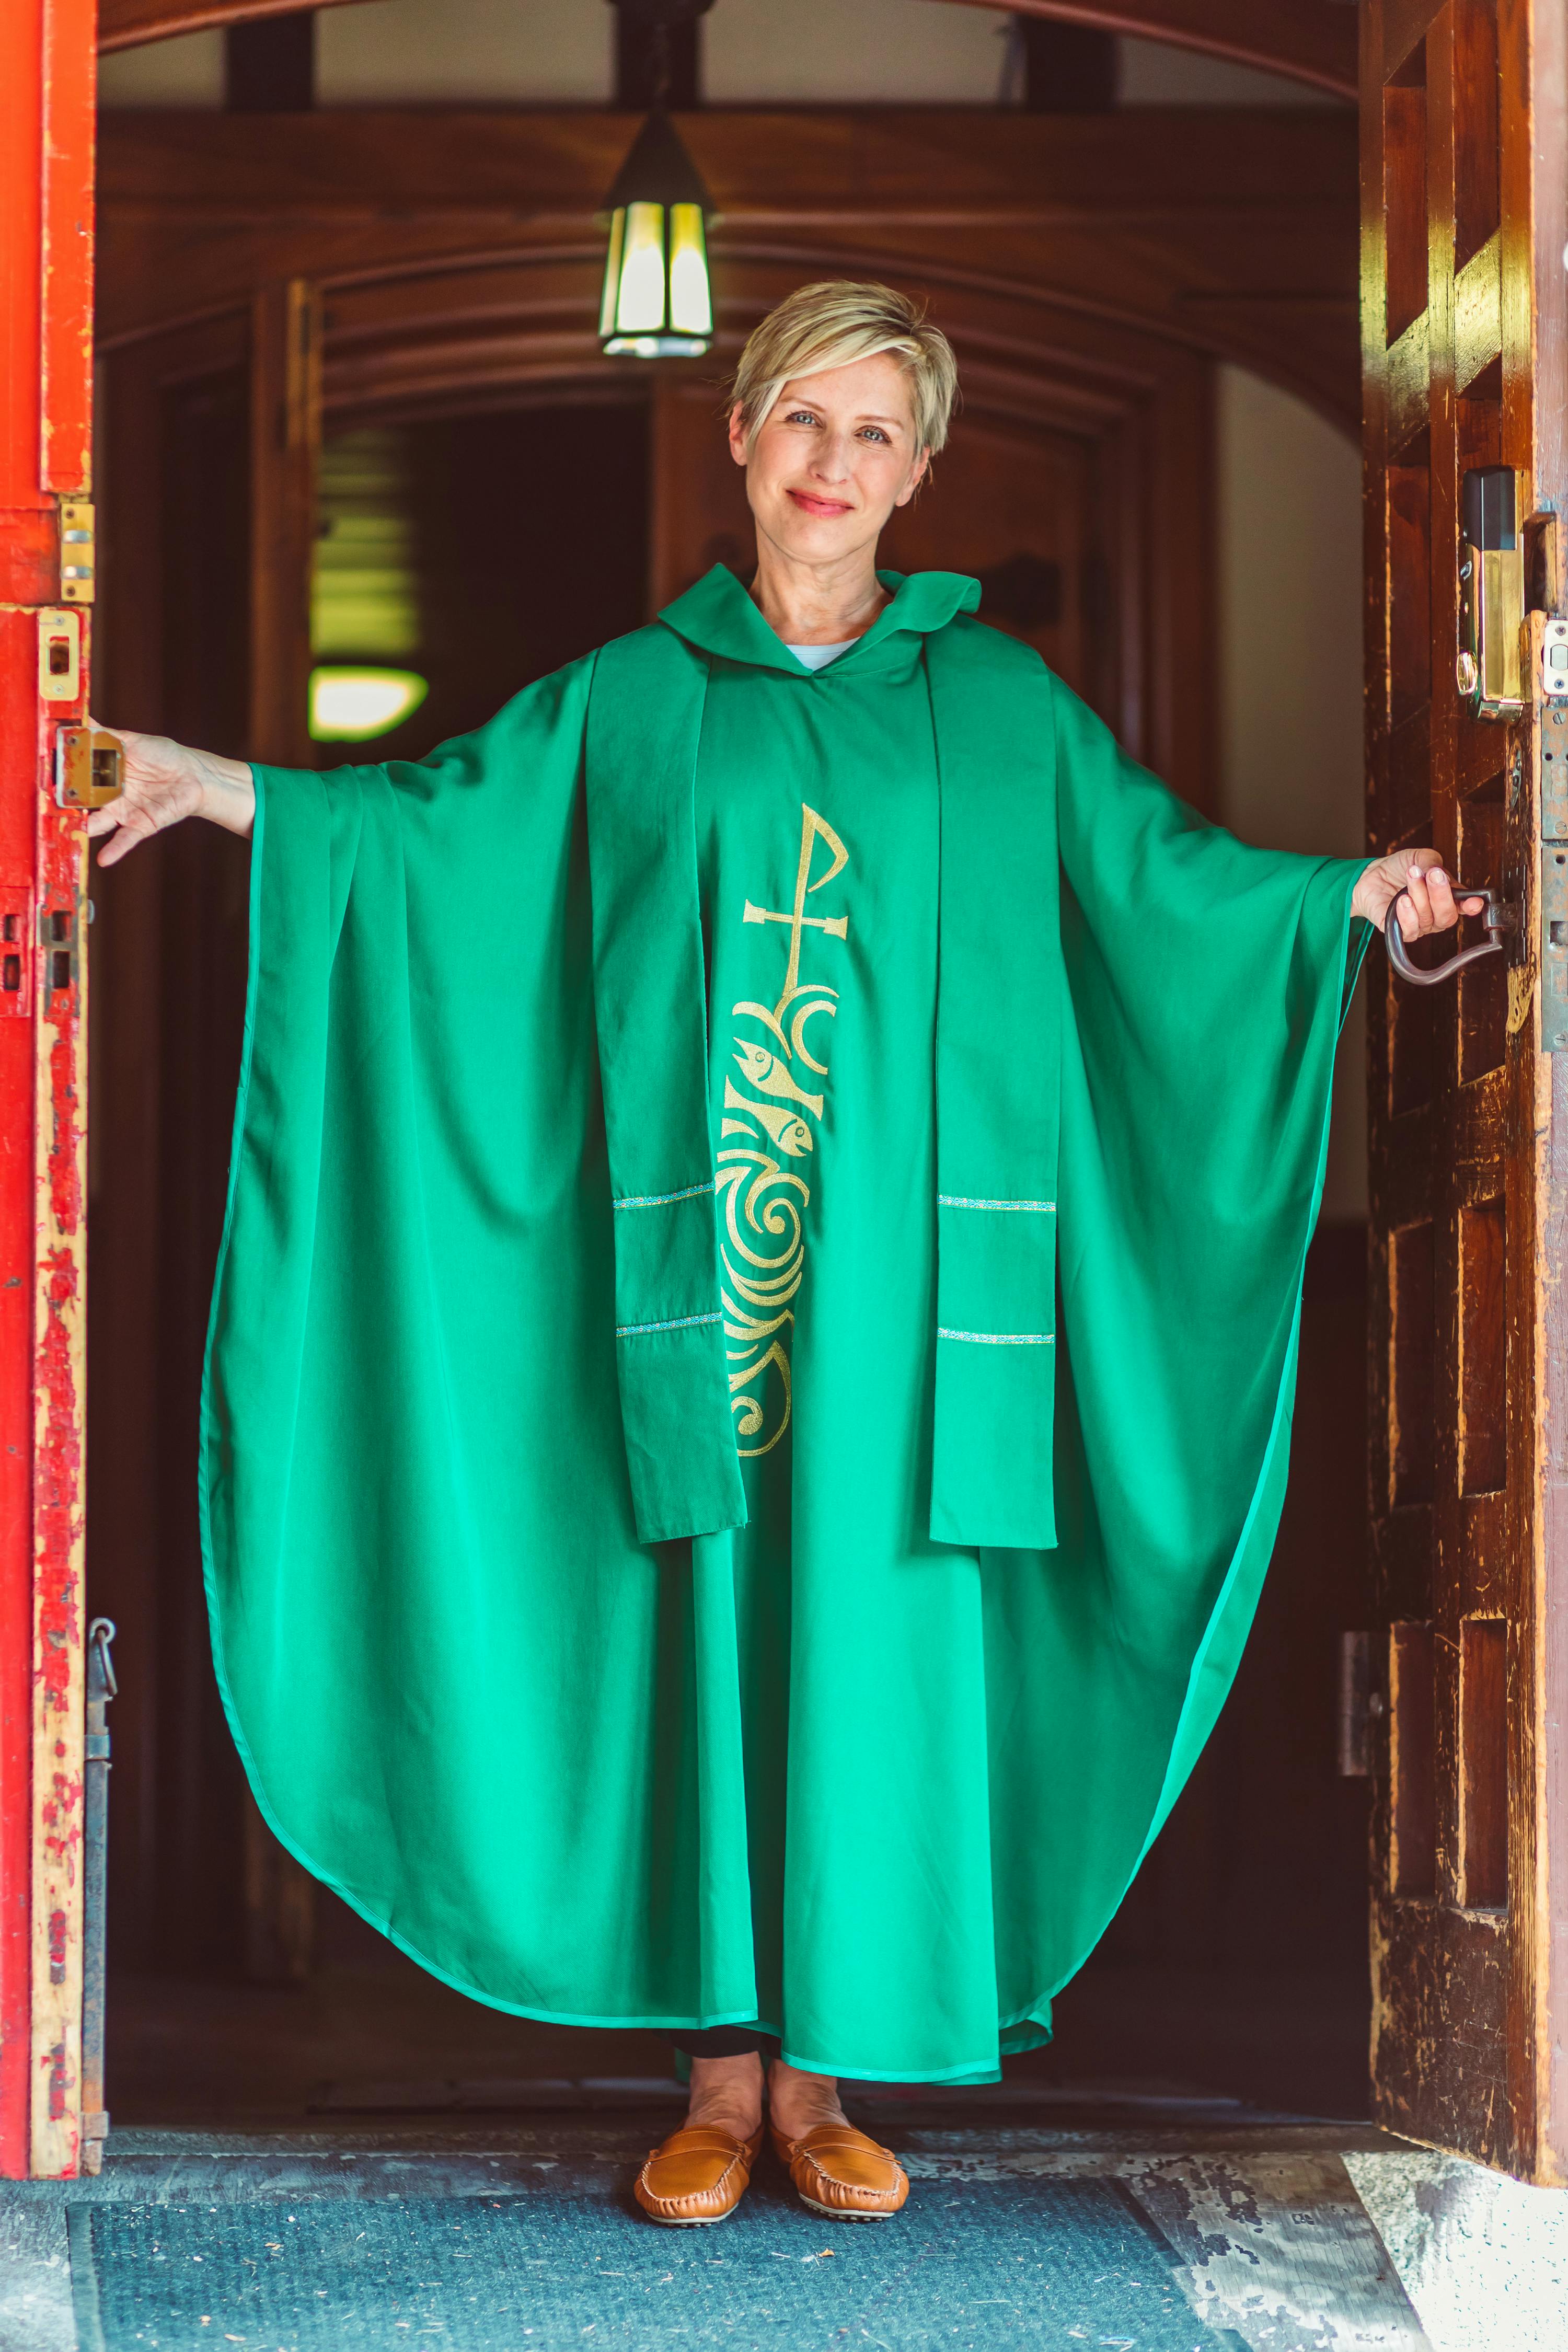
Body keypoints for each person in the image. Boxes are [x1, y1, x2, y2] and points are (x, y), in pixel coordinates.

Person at [95, 281, 1473, 2229]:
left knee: (868, 1636)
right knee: (720, 1641)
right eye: (802, 423)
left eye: (875, 435)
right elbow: (434, 843)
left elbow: (1164, 890)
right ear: (738, 436)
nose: (834, 466)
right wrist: (220, 786)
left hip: (914, 1316)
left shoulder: (1002, 710)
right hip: (707, 1292)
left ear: (921, 474)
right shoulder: (633, 700)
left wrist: (1348, 897)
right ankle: (719, 2079)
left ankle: (824, 2077)